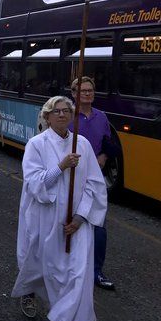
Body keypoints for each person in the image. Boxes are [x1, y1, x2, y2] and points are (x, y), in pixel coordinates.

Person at [11, 96, 107, 321]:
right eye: (57, 111)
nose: (63, 115)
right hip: (46, 219)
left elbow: (94, 185)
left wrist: (80, 217)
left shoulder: (83, 145)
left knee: (79, 275)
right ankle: (30, 291)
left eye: (67, 111)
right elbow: (33, 183)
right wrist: (61, 166)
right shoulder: (36, 145)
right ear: (47, 116)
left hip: (77, 223)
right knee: (47, 268)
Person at [68, 76, 115, 291]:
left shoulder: (101, 117)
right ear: (74, 93)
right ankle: (69, 265)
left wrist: (104, 156)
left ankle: (96, 271)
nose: (87, 94)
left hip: (95, 178)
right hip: (72, 177)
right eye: (82, 90)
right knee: (71, 221)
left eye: (90, 90)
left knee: (98, 224)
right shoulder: (67, 116)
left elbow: (107, 143)